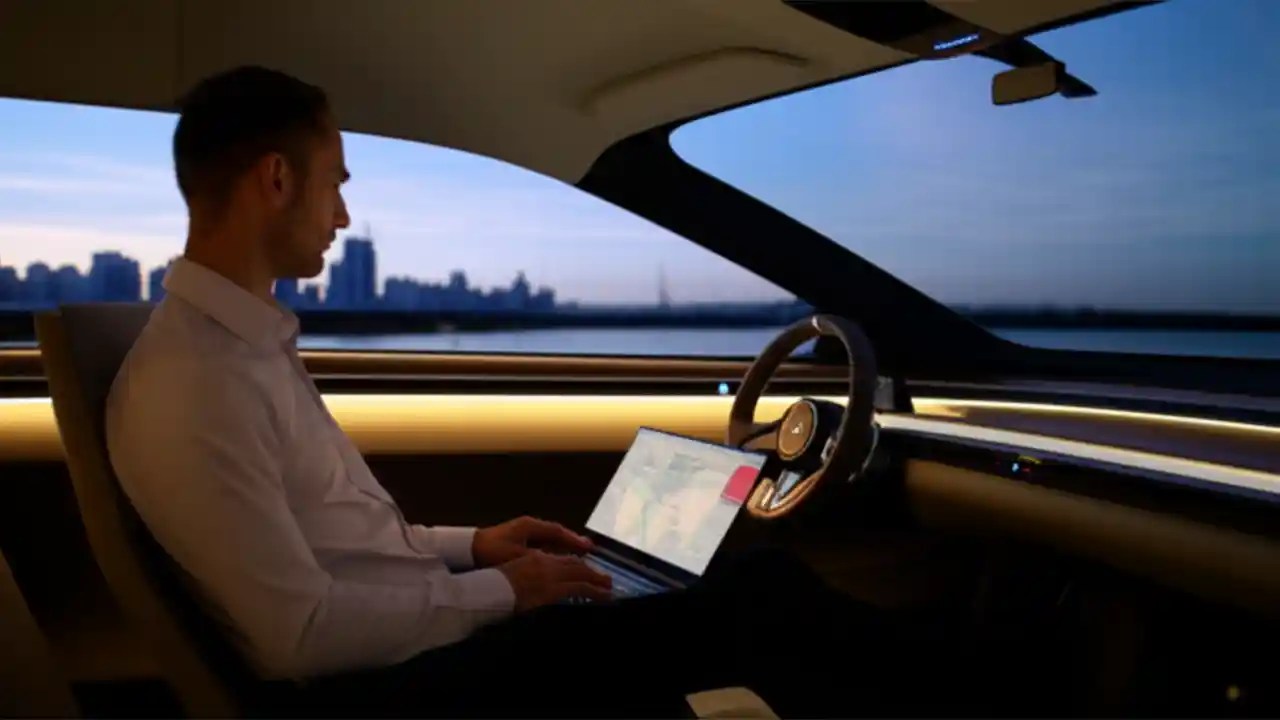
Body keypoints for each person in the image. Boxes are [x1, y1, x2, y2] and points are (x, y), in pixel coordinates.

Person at [105, 66, 978, 718]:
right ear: (276, 180)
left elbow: (342, 543)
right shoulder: (199, 382)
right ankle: (981, 687)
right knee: (759, 599)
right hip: (380, 692)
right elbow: (298, 633)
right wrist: (509, 592)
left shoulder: (240, 347)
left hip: (399, 651)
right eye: (335, 184)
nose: (339, 215)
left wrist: (478, 545)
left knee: (700, 590)